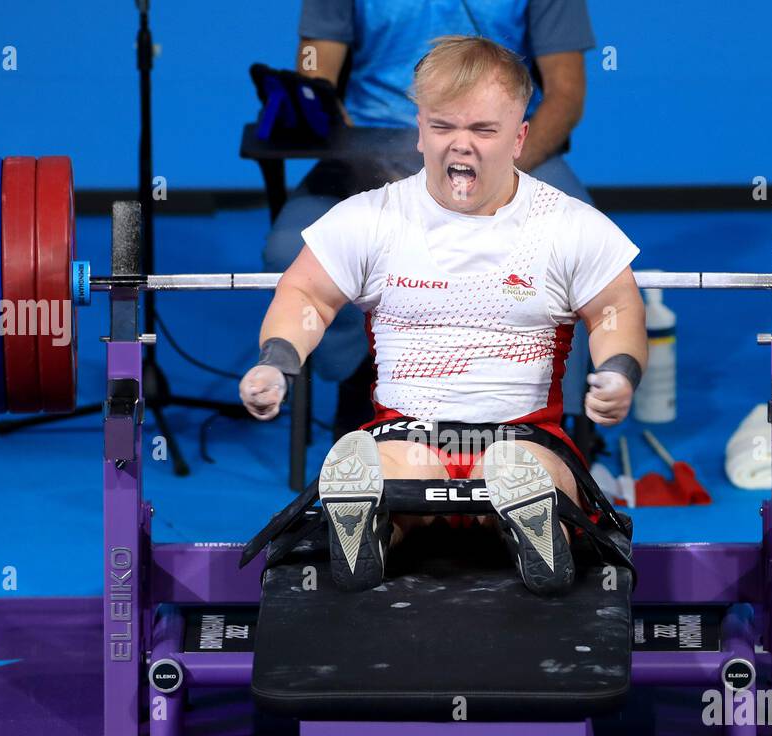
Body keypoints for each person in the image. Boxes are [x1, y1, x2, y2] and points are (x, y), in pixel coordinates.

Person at [240, 36, 645, 597]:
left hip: (522, 435)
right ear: (420, 129)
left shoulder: (567, 225)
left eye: (483, 130)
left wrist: (620, 370)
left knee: (524, 471)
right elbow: (307, 297)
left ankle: (533, 526)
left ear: (520, 137)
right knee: (391, 471)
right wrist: (277, 362)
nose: (462, 146)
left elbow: (616, 308)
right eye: (443, 127)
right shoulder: (372, 217)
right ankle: (372, 528)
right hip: (410, 434)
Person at [262, 0, 602, 436]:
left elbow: (566, 94)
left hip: (500, 149)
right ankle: (365, 368)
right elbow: (314, 73)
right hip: (372, 146)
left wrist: (502, 170)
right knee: (288, 247)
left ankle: (555, 420)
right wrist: (350, 148)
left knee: (575, 244)